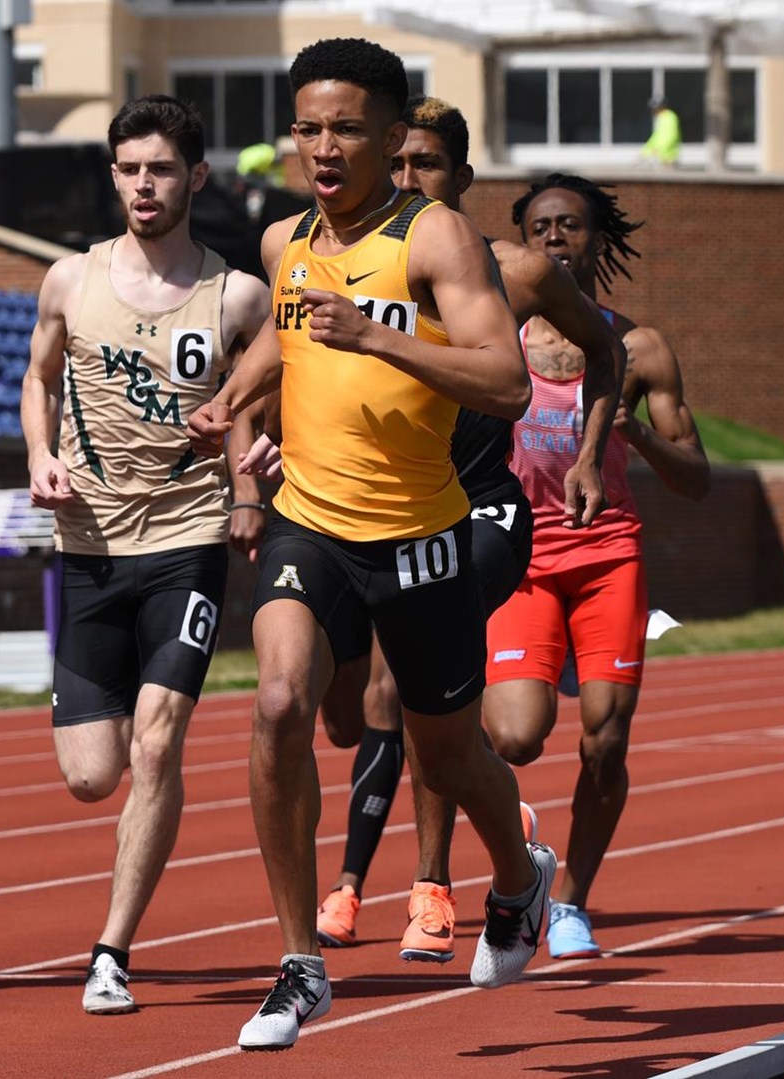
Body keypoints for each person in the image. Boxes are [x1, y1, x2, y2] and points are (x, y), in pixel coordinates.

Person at [186, 38, 556, 1051]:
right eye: (308, 128)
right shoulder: (286, 240)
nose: (323, 147)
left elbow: (506, 381)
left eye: (346, 128)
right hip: (309, 518)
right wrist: (230, 398)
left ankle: (518, 879)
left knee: (450, 753)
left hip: (420, 532)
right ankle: (300, 963)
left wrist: (379, 336)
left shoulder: (436, 239)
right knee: (278, 704)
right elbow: (287, 336)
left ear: (392, 139)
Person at [308, 97, 624, 963]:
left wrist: (590, 455)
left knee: (401, 680)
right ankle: (483, 842)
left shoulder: (516, 272)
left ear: (463, 177)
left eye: (427, 165)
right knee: (352, 713)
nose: (408, 177)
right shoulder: (342, 263)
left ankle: (428, 888)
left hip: (481, 506)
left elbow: (607, 351)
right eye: (397, 163)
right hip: (378, 506)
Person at [21, 95, 270, 1016]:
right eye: (128, 169)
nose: (143, 185)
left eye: (160, 168)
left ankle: (110, 951)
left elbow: (282, 386)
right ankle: (132, 782)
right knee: (92, 775)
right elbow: (39, 378)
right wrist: (39, 453)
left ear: (195, 176)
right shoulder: (68, 280)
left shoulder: (236, 296)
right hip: (88, 542)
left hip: (186, 539)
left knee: (158, 740)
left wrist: (262, 453)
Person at [485, 171, 710, 958]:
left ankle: (572, 901)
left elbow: (697, 476)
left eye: (571, 225)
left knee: (605, 742)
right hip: (520, 557)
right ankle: (519, 850)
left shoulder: (639, 347)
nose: (555, 237)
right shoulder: (497, 340)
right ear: (521, 243)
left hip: (607, 553)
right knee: (515, 737)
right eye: (539, 227)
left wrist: (634, 433)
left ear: (598, 240)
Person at [640, 97, 680, 167]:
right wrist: (645, 151)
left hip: (669, 158)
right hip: (662, 158)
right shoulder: (661, 118)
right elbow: (656, 137)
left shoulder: (670, 117)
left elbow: (672, 136)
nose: (653, 110)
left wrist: (659, 149)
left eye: (655, 108)